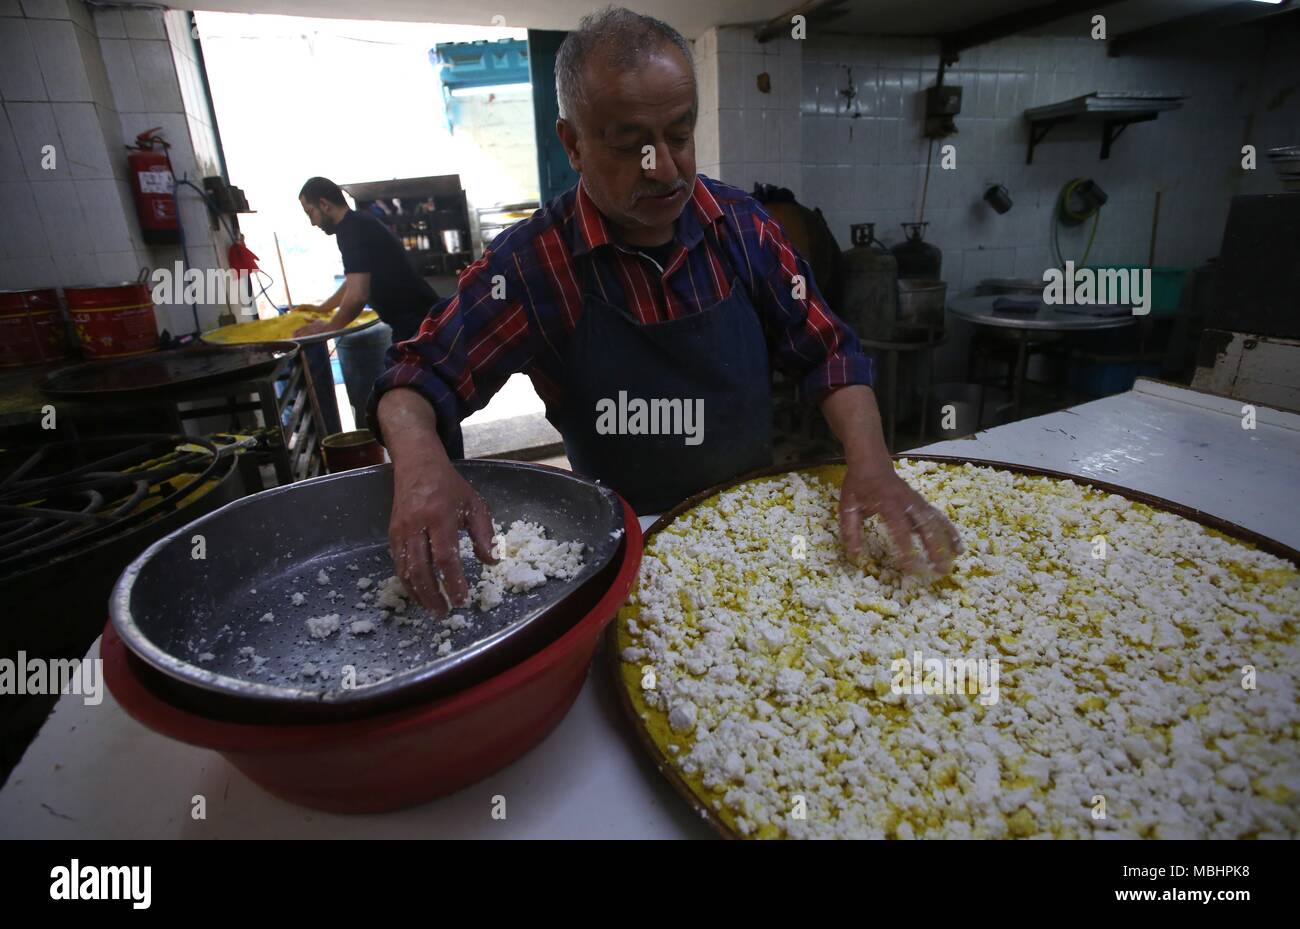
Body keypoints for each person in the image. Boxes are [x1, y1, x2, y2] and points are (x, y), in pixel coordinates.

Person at [369, 7, 960, 614]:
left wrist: (870, 463)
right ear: (571, 143)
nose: (667, 168)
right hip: (625, 548)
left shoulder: (743, 230)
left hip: (751, 530)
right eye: (631, 145)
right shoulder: (533, 266)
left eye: (680, 135)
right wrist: (419, 466)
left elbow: (829, 353)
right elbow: (416, 378)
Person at [296, 176, 435, 344]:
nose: (312, 222)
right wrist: (323, 308)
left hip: (418, 323)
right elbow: (353, 282)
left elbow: (357, 295)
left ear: (324, 205)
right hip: (420, 317)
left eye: (310, 213)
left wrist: (327, 329)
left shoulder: (350, 230)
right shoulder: (357, 222)